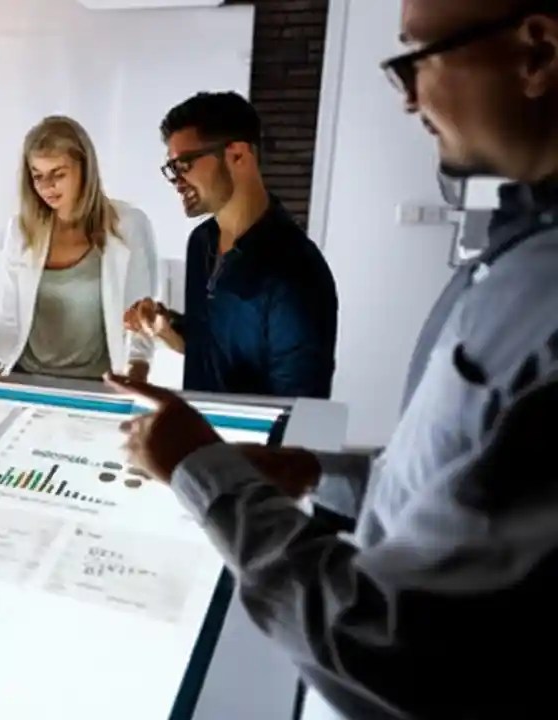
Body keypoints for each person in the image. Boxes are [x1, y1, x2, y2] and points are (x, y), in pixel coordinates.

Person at [110, 1, 558, 717]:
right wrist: (318, 472)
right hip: (249, 518)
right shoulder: (513, 261)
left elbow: (398, 642)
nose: (408, 98)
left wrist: (209, 469)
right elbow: (448, 473)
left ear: (537, 53)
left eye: (418, 58)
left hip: (292, 580)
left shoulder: (296, 271)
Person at [127, 91, 338, 399]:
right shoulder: (201, 243)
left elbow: (300, 409)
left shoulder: (295, 271)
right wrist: (164, 327)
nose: (177, 182)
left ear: (238, 155)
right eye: (172, 169)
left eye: (184, 165)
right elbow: (212, 352)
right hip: (195, 427)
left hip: (240, 434)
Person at [0, 115, 159, 382]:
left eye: (58, 174)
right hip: (25, 377)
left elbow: (141, 318)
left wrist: (136, 376)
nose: (46, 186)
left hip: (97, 383)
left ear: (85, 168)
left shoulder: (128, 225)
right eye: (37, 176)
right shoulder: (21, 230)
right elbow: (10, 320)